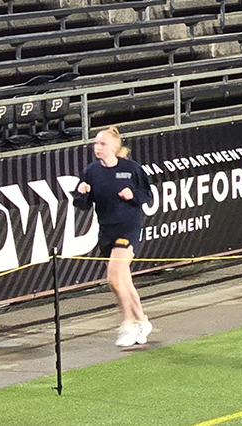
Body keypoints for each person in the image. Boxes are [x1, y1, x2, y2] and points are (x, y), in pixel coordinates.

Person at [72, 126, 153, 346]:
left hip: (128, 228)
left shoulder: (131, 168)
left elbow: (147, 194)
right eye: (95, 144)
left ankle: (127, 324)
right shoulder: (91, 171)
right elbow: (81, 204)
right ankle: (142, 321)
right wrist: (82, 193)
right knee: (124, 280)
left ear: (115, 147)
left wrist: (132, 195)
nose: (97, 148)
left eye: (102, 144)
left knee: (114, 278)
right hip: (107, 229)